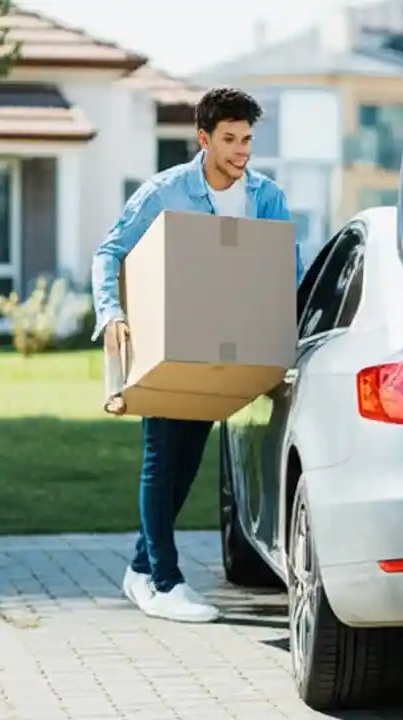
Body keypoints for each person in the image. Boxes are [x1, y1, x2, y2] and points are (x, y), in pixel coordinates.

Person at [90, 87, 303, 623]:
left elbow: (285, 272)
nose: (241, 150)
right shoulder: (166, 192)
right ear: (203, 138)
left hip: (225, 351)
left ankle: (140, 569)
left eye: (248, 139)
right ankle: (164, 581)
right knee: (163, 459)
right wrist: (111, 313)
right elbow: (109, 251)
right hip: (171, 344)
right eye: (229, 139)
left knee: (185, 465)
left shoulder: (268, 198)